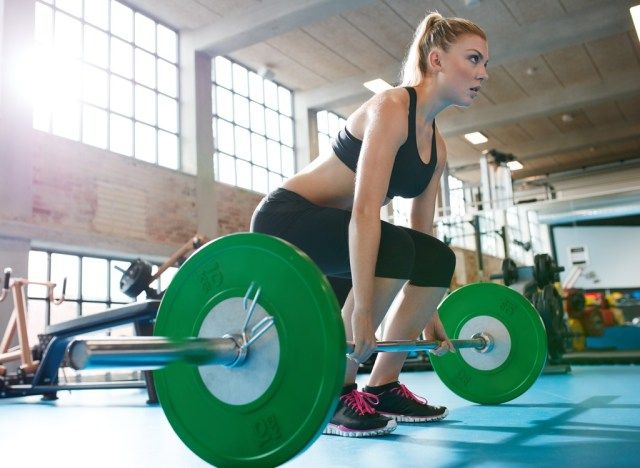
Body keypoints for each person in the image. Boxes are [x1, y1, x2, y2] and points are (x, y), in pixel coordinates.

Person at [251, 12, 489, 437]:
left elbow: (422, 235)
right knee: (393, 248)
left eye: (485, 64)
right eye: (473, 59)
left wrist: (427, 314)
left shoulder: (437, 143)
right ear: (436, 59)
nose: (482, 73)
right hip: (289, 220)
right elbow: (365, 211)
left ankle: (383, 384)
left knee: (436, 255)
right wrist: (364, 310)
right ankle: (332, 391)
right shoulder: (392, 107)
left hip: (340, 232)